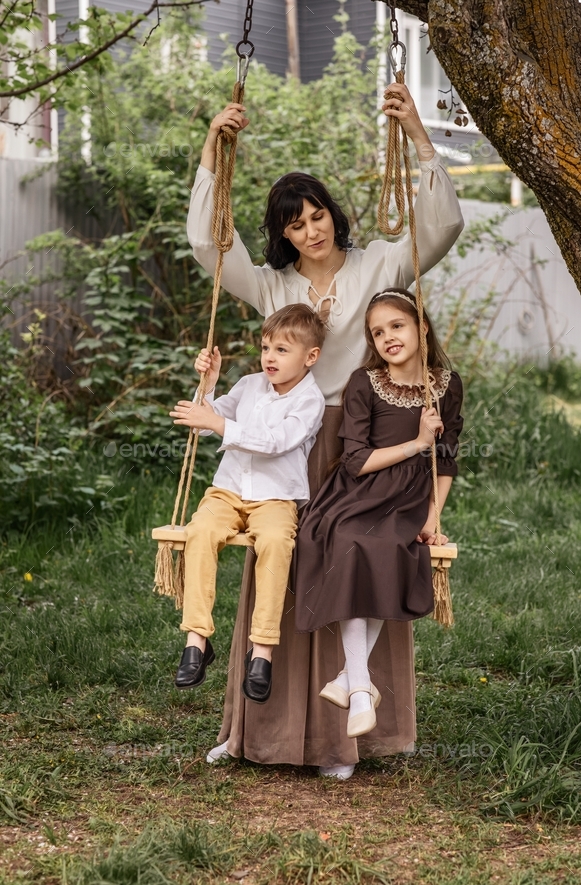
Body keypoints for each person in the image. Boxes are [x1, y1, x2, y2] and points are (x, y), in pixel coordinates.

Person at [187, 81, 464, 778]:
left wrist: (419, 134)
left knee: (352, 562)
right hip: (284, 443)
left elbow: (442, 229)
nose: (311, 231)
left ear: (332, 215)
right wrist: (214, 149)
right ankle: (253, 731)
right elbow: (205, 243)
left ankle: (348, 740)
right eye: (295, 224)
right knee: (277, 568)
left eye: (317, 216)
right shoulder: (273, 288)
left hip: (360, 439)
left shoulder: (377, 264)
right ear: (282, 235)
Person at [293, 288, 463, 739]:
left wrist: (432, 518)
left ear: (420, 326)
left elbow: (445, 460)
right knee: (351, 542)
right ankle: (363, 688)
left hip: (408, 499)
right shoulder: (364, 383)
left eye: (397, 326)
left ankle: (350, 681)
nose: (388, 337)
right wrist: (416, 443)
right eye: (378, 332)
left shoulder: (446, 384)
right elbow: (355, 461)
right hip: (356, 493)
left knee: (390, 548)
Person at [169, 304, 326, 703]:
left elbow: (276, 443)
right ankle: (197, 640)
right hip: (229, 490)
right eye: (265, 347)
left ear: (311, 357)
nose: (269, 357)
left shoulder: (310, 401)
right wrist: (209, 383)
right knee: (200, 531)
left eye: (281, 350)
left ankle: (263, 652)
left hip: (277, 497)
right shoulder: (249, 385)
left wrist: (221, 425)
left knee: (275, 543)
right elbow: (207, 421)